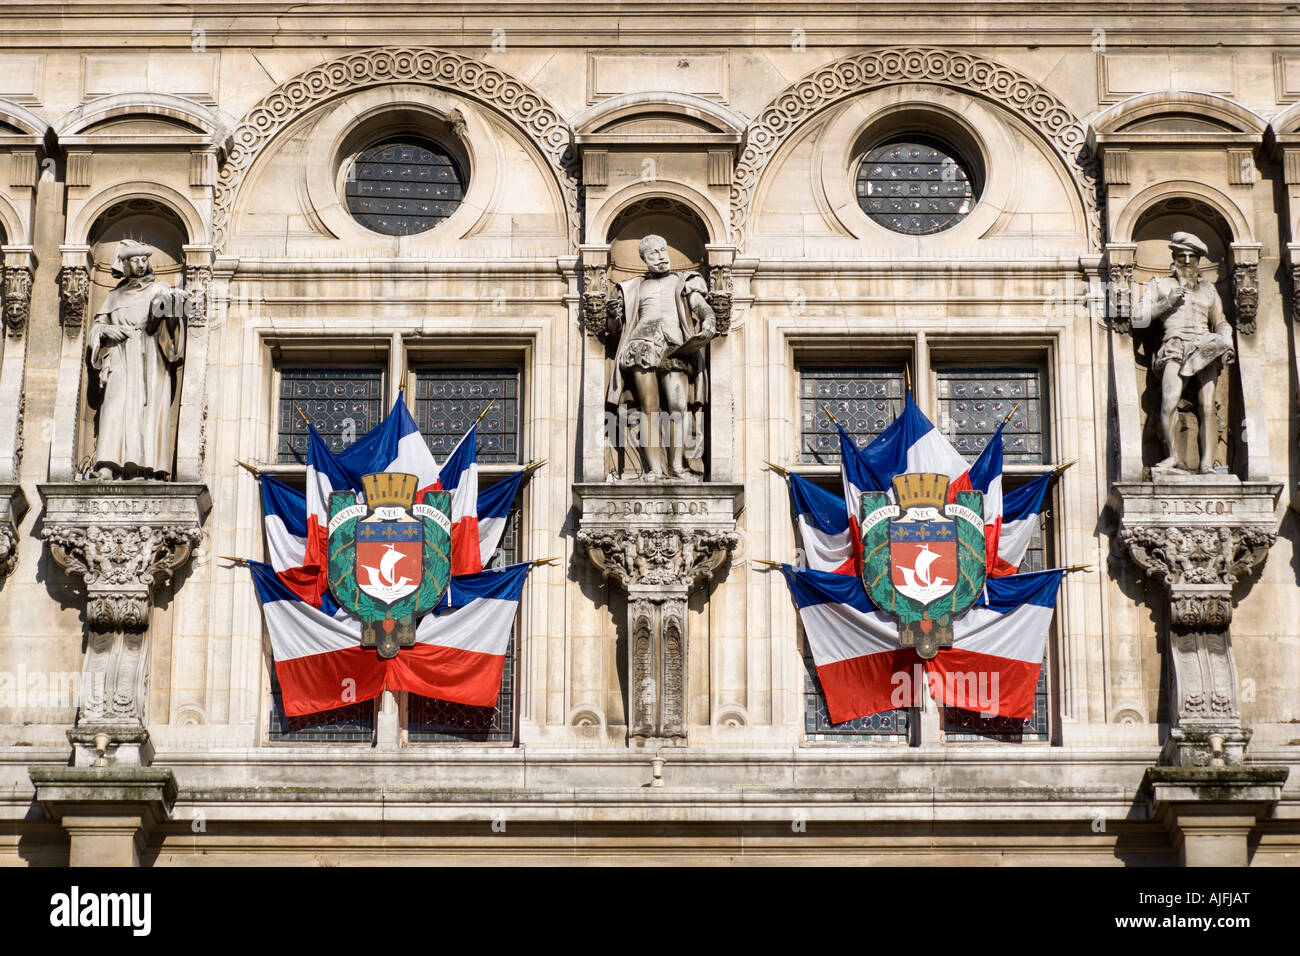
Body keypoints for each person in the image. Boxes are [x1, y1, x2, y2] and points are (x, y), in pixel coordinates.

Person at [606, 235, 716, 479]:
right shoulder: (632, 287)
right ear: (644, 259)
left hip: (675, 346)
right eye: (654, 253)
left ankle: (677, 467)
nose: (662, 256)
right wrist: (613, 316)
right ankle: (654, 469)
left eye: (663, 250)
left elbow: (699, 305)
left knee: (678, 406)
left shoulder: (684, 280)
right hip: (641, 345)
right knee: (648, 408)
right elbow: (613, 330)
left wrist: (709, 318)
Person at [1131, 231, 1235, 474]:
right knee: (1169, 402)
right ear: (1174, 258)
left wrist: (1226, 338)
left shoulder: (1209, 290)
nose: (1186, 260)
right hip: (1175, 346)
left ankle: (1207, 463)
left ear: (1199, 261)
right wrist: (1166, 303)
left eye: (1191, 256)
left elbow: (1219, 321)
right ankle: (1172, 456)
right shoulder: (1160, 284)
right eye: (1181, 255)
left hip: (1204, 347)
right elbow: (1138, 318)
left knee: (1207, 406)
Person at [88, 239, 186, 479]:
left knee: (148, 409)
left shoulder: (160, 290)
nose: (141, 265)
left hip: (151, 356)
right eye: (135, 260)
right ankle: (107, 465)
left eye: (144, 260)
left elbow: (173, 331)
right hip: (120, 355)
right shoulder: (114, 296)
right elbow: (96, 328)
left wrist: (170, 312)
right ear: (125, 264)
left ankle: (146, 467)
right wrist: (104, 331)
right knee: (115, 407)